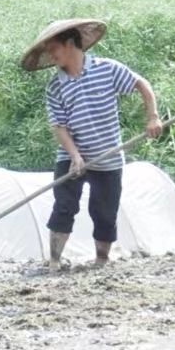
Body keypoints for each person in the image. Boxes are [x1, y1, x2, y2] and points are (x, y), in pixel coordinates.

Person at [20, 18, 162, 268]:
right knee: (64, 205)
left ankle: (101, 261)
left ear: (71, 44)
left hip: (107, 156)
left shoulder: (107, 69)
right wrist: (75, 156)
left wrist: (152, 117)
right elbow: (59, 127)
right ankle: (54, 261)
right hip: (71, 155)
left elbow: (142, 85)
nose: (51, 56)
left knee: (105, 210)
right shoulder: (55, 87)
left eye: (54, 49)